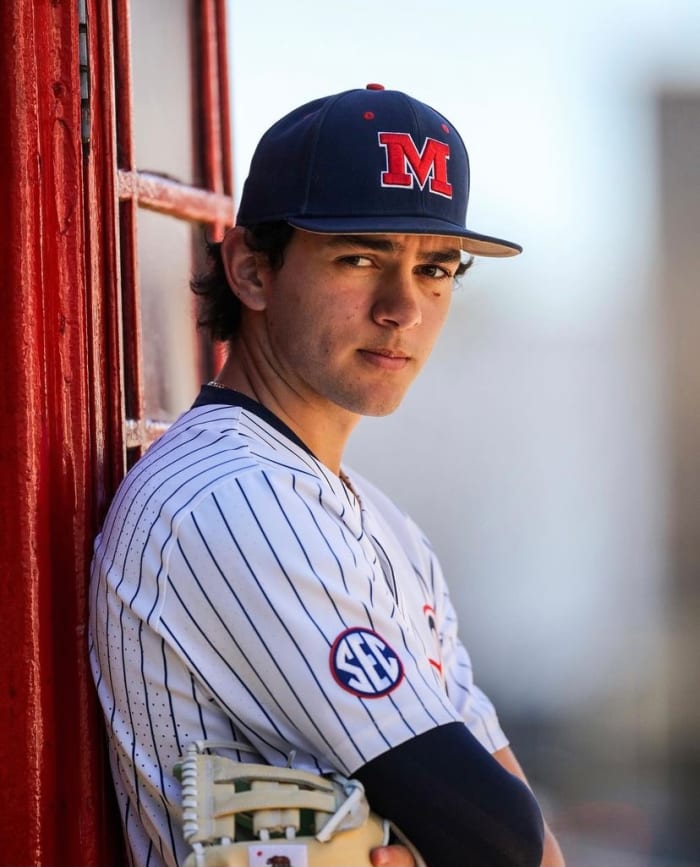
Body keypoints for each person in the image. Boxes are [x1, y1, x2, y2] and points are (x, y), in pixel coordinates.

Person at [89, 83, 565, 867]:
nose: (403, 307)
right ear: (250, 270)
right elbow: (499, 839)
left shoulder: (383, 525)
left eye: (437, 269)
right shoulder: (230, 500)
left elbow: (524, 838)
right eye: (361, 256)